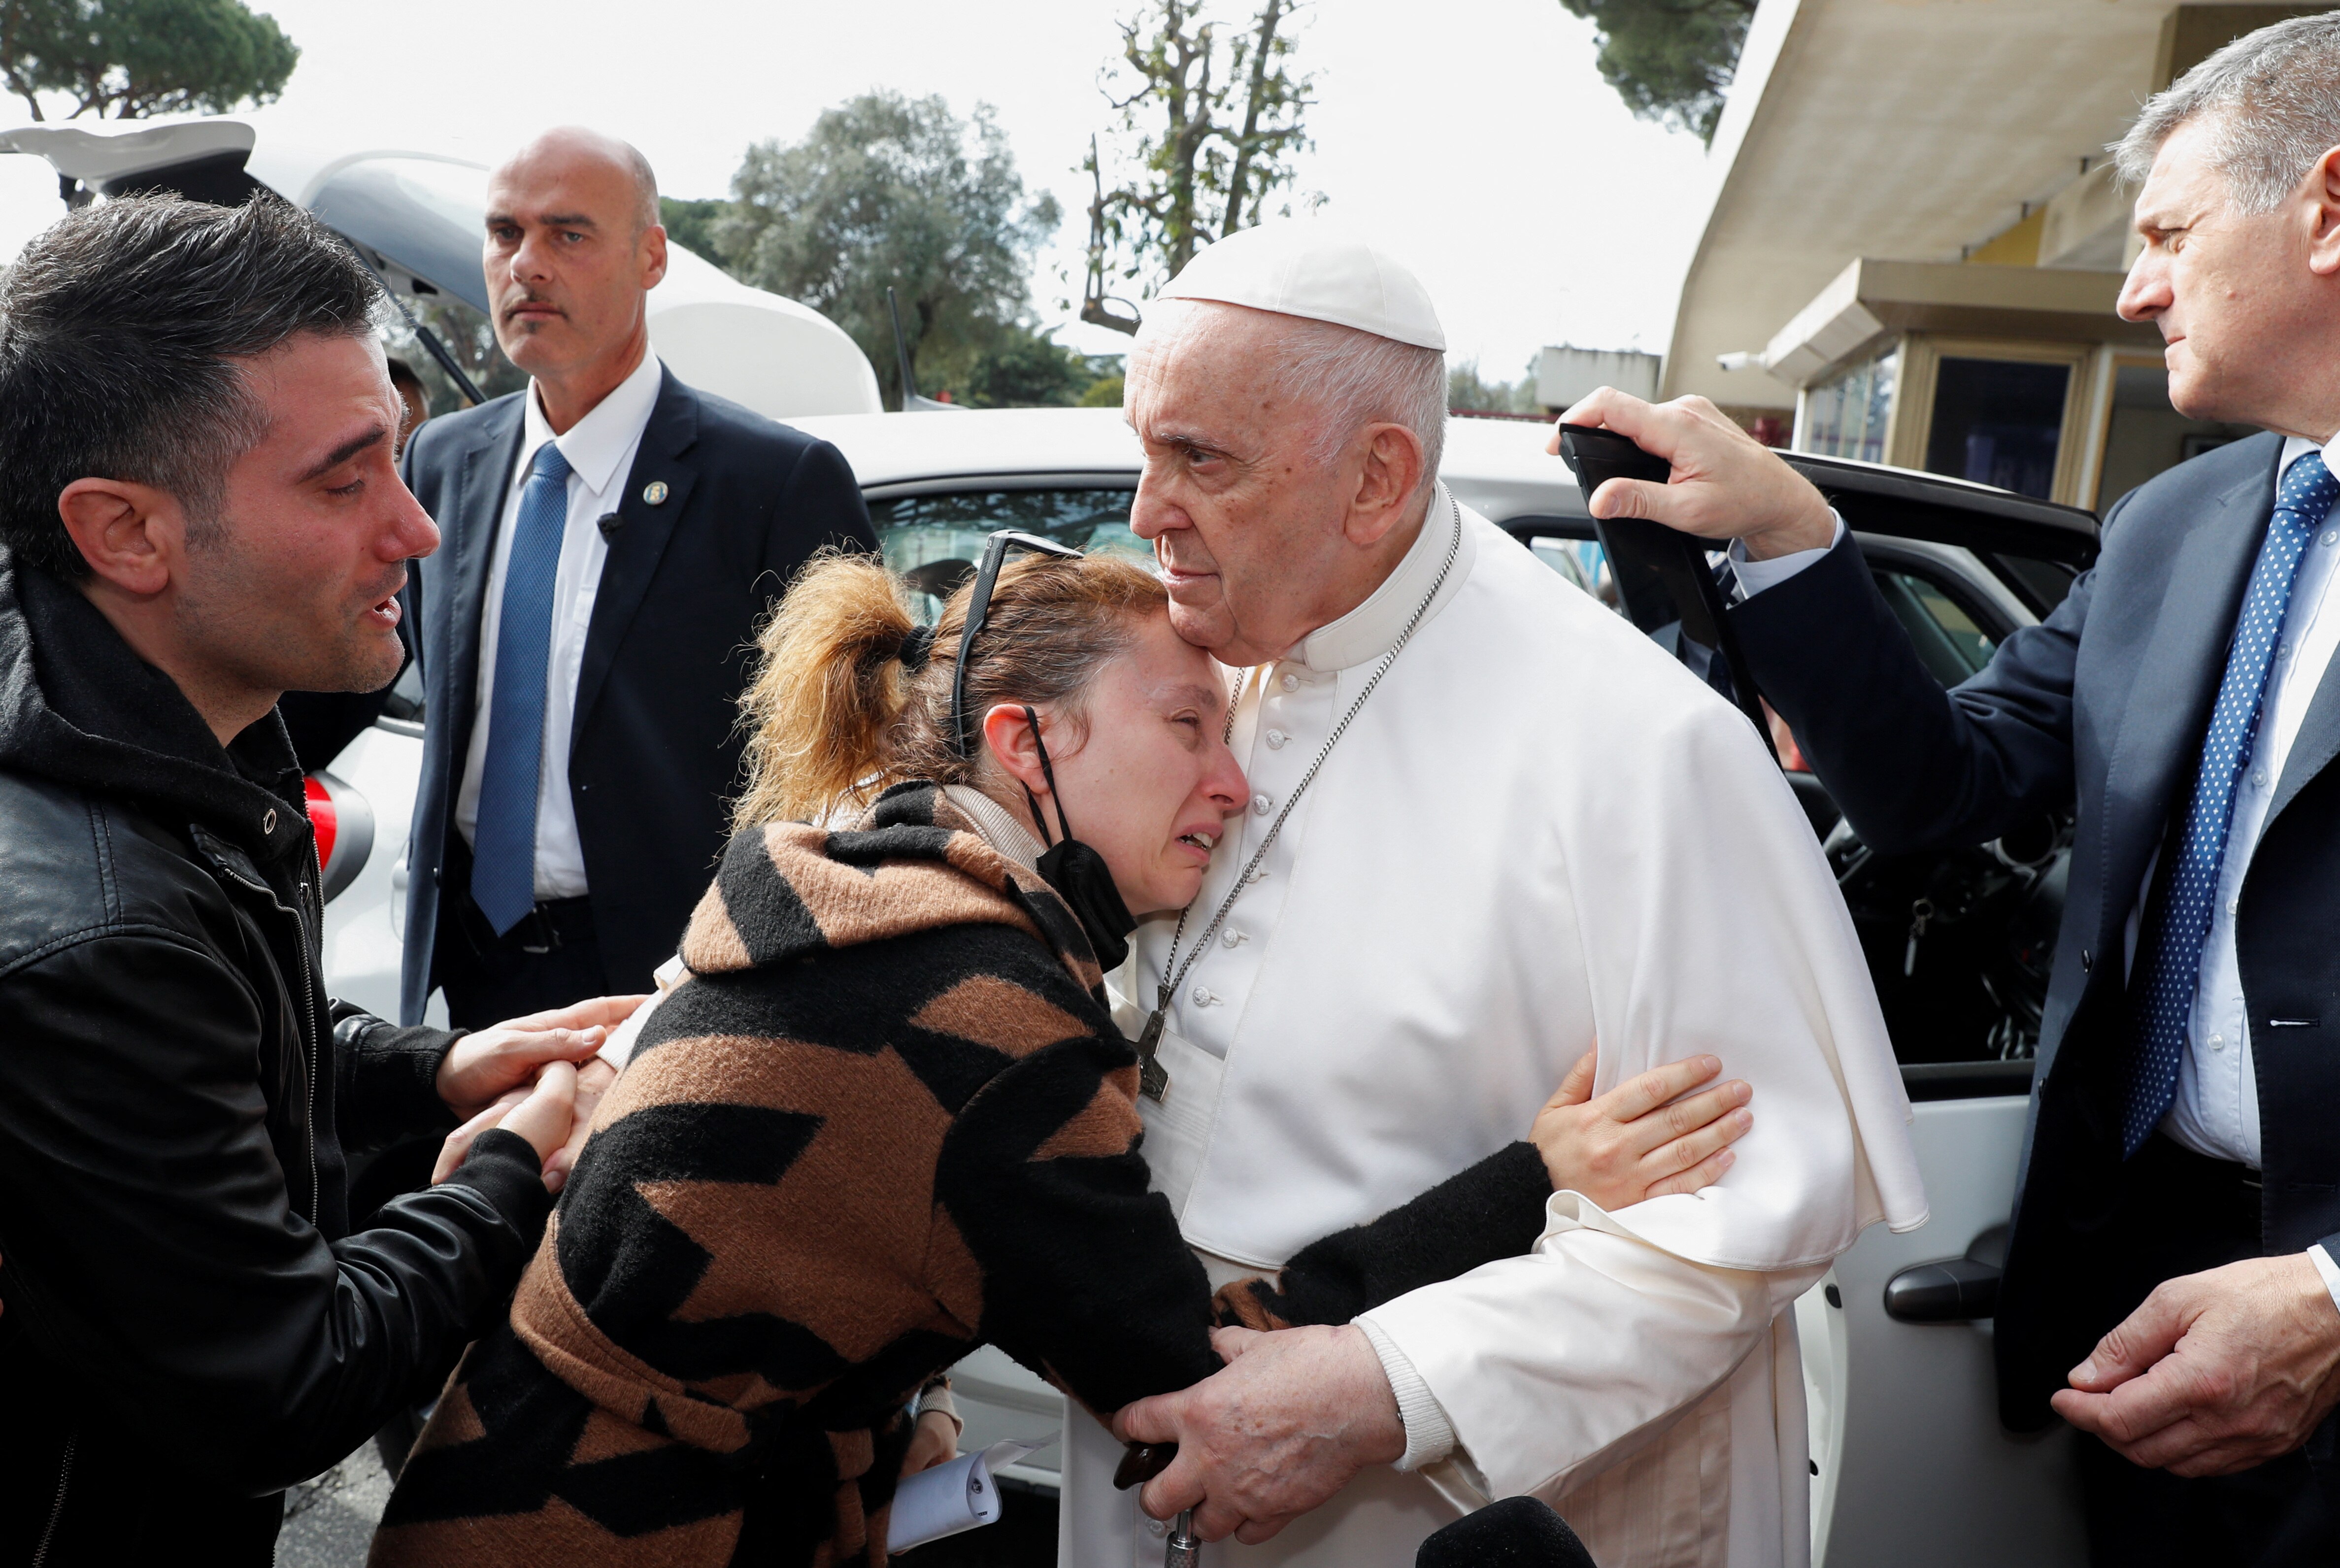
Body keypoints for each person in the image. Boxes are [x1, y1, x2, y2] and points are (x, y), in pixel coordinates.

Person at [367, 546, 1758, 1565]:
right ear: (1022, 741)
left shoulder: (843, 881)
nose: (1235, 779)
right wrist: (1529, 1180)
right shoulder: (980, 1004)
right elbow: (1193, 1383)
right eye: (1185, 724)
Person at [1556, 16, 2340, 1563]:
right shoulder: (2174, 525)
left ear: (2326, 208)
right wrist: (1789, 537)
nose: (2131, 289)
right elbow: (1942, 785)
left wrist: (2331, 1295)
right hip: (2144, 1288)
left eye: (2169, 234)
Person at [1072, 223, 1926, 1568]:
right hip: (1158, 1444)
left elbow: (1724, 1226)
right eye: (1143, 449)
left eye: (1198, 460)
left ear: (1374, 479)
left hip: (1460, 1495)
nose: (1142, 511)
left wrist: (1379, 1386)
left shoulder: (1639, 753)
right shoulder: (1172, 674)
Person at [0, 196, 635, 1564]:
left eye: (400, 465)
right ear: (125, 532)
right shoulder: (90, 932)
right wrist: (510, 1167)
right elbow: (284, 1384)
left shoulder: (136, 725)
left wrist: (432, 1069)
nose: (417, 528)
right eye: (345, 483)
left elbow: (207, 1056)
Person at [396, 126, 876, 1030]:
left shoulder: (775, 483)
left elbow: (846, 770)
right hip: (469, 970)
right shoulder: (441, 460)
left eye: (567, 235)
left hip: (678, 982)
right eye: (505, 234)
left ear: (651, 257)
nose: (526, 265)